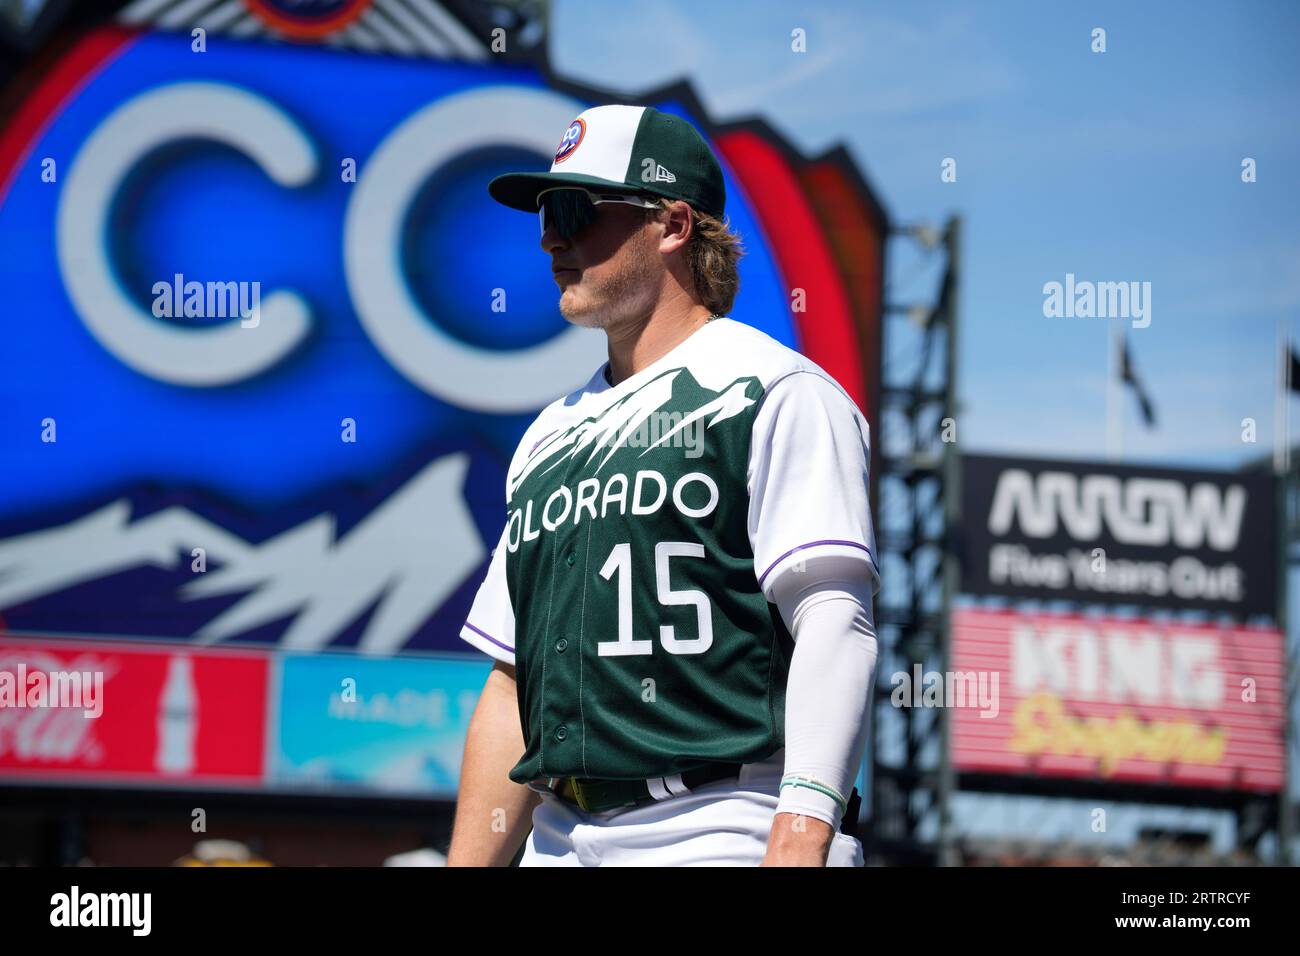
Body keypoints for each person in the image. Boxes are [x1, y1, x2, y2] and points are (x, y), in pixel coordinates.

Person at [448, 104, 880, 866]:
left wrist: (799, 836)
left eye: (576, 209)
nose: (552, 236)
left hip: (724, 827)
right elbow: (513, 680)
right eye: (547, 213)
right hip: (560, 837)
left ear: (674, 223)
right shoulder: (548, 433)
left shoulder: (772, 389)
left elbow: (833, 615)